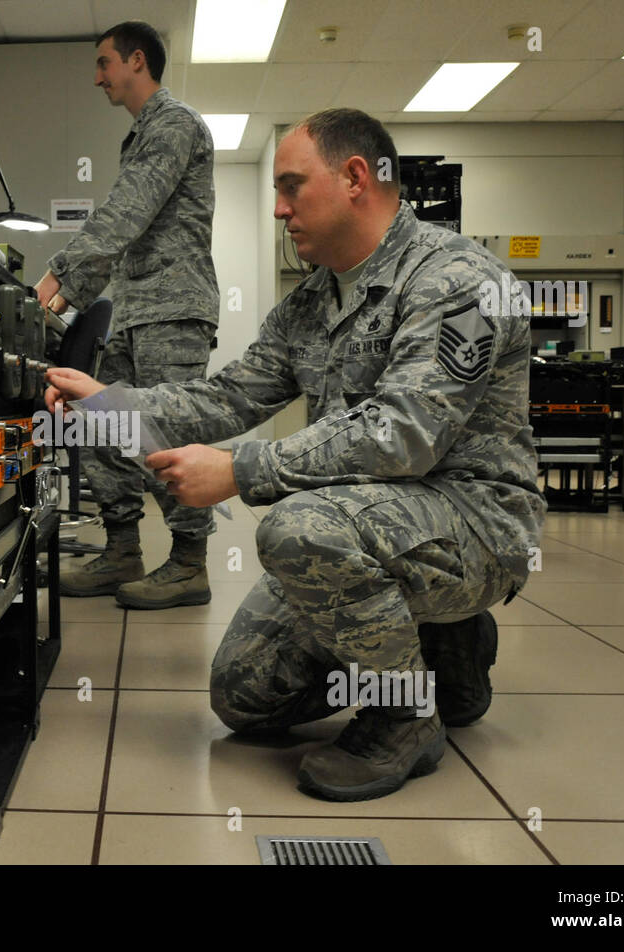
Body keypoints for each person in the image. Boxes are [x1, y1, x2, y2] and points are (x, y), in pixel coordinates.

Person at [43, 108, 546, 801]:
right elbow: (224, 399)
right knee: (245, 696)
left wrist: (240, 471)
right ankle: (438, 643)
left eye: (291, 187)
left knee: (296, 526)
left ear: (355, 178)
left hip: (473, 523)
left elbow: (406, 431)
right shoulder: (309, 304)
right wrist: (108, 403)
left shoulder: (458, 280)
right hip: (373, 519)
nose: (279, 208)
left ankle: (406, 712)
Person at [33, 21, 220, 611]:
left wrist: (58, 279)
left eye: (104, 63)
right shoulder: (142, 134)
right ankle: (122, 550)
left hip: (175, 310)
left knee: (167, 434)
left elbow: (126, 212)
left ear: (137, 61)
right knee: (101, 423)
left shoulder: (175, 124)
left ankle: (190, 563)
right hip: (137, 310)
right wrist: (66, 296)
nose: (97, 78)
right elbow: (127, 229)